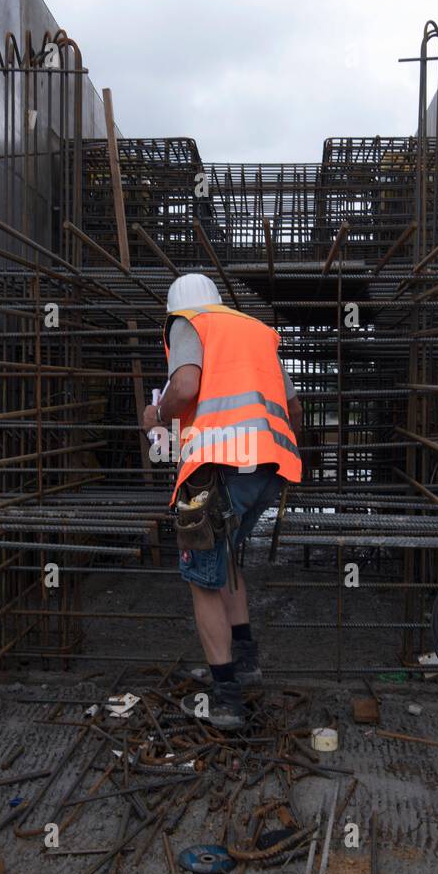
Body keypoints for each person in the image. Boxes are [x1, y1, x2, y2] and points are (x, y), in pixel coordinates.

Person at [142, 273, 302, 729]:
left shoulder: (188, 322)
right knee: (228, 559)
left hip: (220, 467)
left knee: (202, 579)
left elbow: (187, 387)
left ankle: (227, 696)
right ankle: (245, 661)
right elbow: (294, 409)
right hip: (269, 468)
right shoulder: (255, 332)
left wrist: (157, 414)